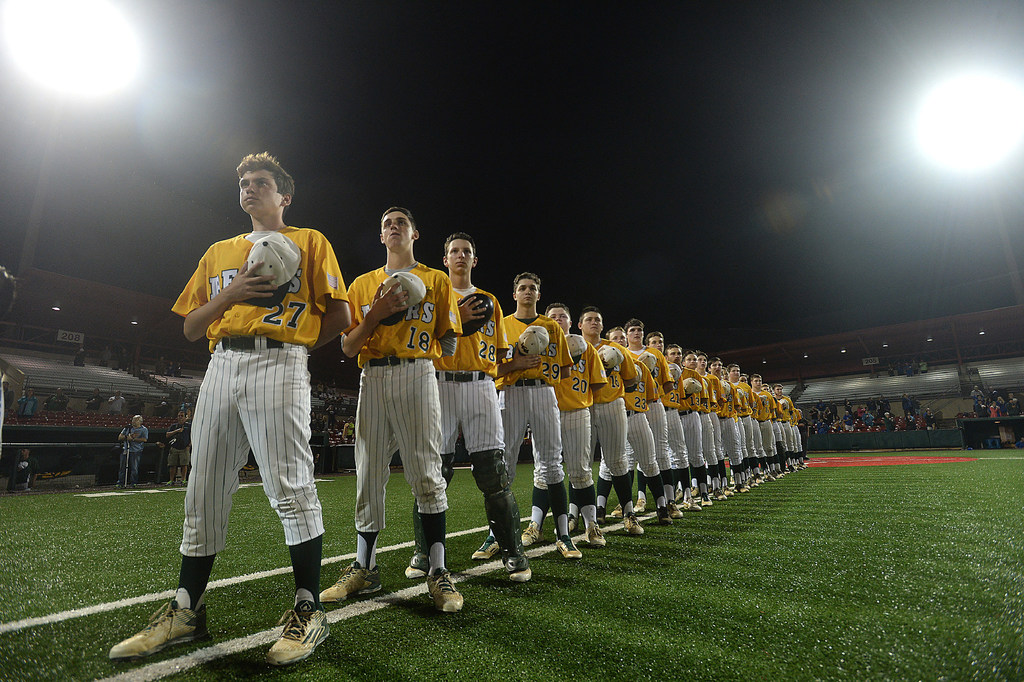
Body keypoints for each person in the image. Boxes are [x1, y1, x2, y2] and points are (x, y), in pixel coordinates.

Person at [109, 152, 350, 666]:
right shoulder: (218, 252)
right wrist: (234, 293)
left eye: (260, 182)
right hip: (222, 365)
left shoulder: (310, 241)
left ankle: (309, 611)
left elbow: (342, 314)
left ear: (284, 195)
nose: (248, 188)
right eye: (243, 182)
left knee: (289, 482)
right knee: (204, 486)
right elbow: (191, 327)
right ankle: (186, 609)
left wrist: (300, 344)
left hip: (279, 360)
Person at [320, 206, 465, 613]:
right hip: (373, 377)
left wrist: (427, 365)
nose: (393, 227)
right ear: (381, 237)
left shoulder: (436, 280)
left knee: (425, 472)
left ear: (415, 234)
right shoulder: (364, 284)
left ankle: (437, 571)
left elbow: (448, 338)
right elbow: (348, 347)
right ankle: (365, 569)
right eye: (386, 224)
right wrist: (377, 315)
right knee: (367, 473)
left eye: (401, 222)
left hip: (416, 373)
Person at [406, 231, 531, 583]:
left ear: (474, 260)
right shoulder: (431, 295)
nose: (460, 256)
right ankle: (424, 552)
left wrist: (519, 365)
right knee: (434, 472)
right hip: (439, 383)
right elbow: (418, 340)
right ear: (444, 259)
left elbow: (500, 358)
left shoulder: (490, 300)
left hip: (480, 385)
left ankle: (512, 552)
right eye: (454, 251)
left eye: (466, 252)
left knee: (493, 473)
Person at [117, 414, 148, 487]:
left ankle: (133, 483)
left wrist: (134, 439)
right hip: (126, 450)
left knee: (134, 468)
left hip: (136, 451)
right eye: (133, 419)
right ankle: (120, 483)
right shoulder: (128, 428)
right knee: (122, 467)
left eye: (135, 420)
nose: (133, 421)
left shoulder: (144, 429)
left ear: (140, 422)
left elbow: (144, 439)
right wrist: (127, 437)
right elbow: (120, 437)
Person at [162, 411, 192, 485]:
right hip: (174, 447)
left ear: (185, 417)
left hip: (184, 448)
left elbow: (193, 435)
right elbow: (167, 435)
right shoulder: (173, 426)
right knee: (172, 465)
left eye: (182, 416)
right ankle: (171, 480)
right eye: (179, 416)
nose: (180, 417)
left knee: (184, 465)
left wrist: (189, 445)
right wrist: (177, 431)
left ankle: (183, 480)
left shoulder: (189, 426)